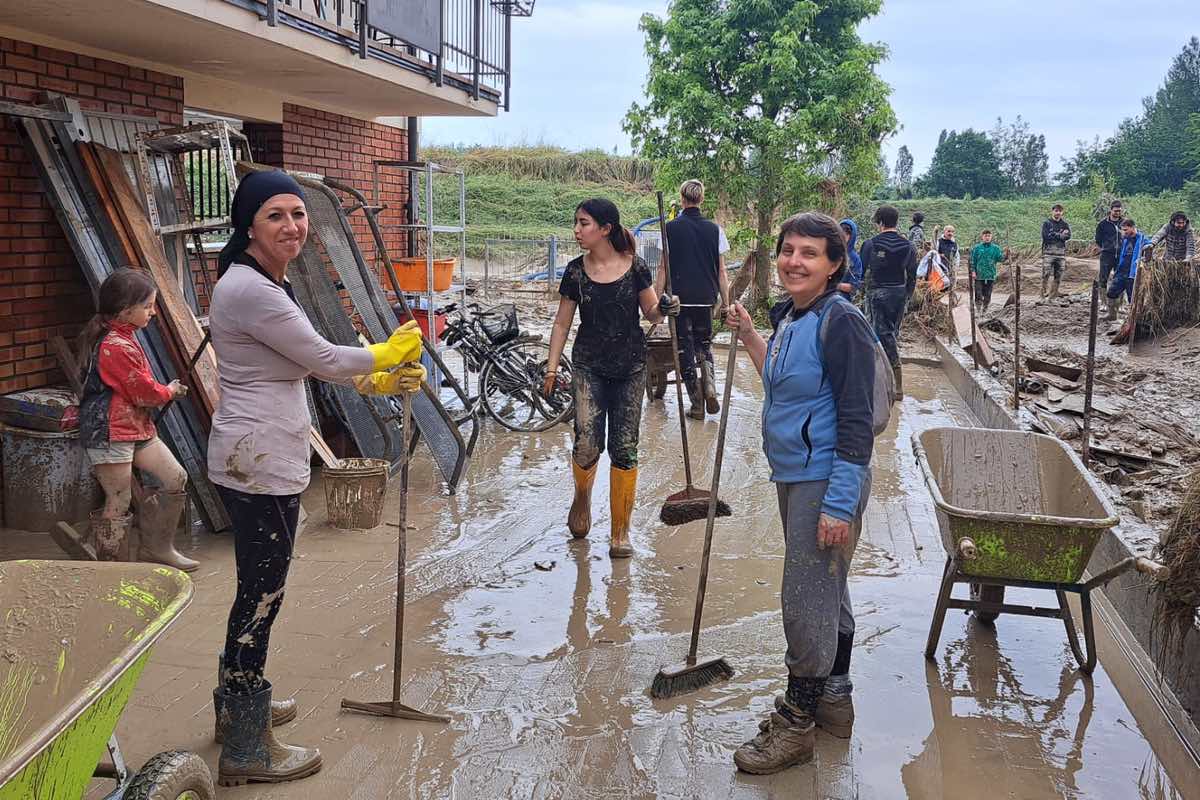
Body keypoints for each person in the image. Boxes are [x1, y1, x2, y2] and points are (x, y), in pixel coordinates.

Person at [208, 169, 425, 786]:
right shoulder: (252, 289)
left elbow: (299, 359)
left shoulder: (263, 282)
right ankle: (246, 747)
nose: (292, 226)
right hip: (257, 458)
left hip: (259, 452)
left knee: (257, 587)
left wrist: (375, 380)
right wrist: (383, 354)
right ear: (249, 225)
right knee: (262, 594)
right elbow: (323, 358)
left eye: (298, 214)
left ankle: (237, 705)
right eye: (275, 215)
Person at [723, 212, 876, 775]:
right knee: (827, 591)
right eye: (788, 250)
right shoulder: (793, 316)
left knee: (805, 599)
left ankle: (795, 727)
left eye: (809, 253)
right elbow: (780, 381)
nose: (794, 261)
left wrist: (839, 502)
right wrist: (749, 334)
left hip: (826, 478)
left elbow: (858, 419)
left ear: (835, 264)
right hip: (796, 474)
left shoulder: (844, 322)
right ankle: (834, 702)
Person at [545, 198, 678, 558]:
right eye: (576, 222)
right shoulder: (575, 272)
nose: (576, 230)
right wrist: (552, 368)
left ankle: (620, 532)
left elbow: (652, 314)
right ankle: (582, 496)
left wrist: (665, 307)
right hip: (588, 366)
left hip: (631, 367)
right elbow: (562, 323)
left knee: (624, 448)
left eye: (584, 223)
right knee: (587, 444)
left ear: (605, 229)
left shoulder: (636, 267)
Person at [77, 268, 194, 569]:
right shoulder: (115, 345)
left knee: (175, 477)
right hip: (108, 431)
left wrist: (163, 392)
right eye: (148, 306)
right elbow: (143, 393)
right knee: (119, 498)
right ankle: (111, 567)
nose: (153, 312)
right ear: (126, 310)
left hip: (135, 427)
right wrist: (168, 391)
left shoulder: (124, 336)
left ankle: (157, 549)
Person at [661, 179, 730, 419]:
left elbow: (663, 269)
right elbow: (722, 272)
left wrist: (655, 304)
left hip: (678, 300)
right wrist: (726, 304)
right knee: (704, 345)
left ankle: (697, 404)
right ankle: (709, 386)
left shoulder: (669, 228)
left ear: (682, 199)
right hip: (706, 298)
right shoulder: (715, 230)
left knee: (684, 350)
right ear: (701, 199)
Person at [859, 205, 918, 395]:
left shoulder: (870, 244)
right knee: (892, 334)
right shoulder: (909, 246)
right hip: (899, 293)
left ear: (881, 222)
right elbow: (912, 276)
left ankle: (895, 384)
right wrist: (907, 297)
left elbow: (860, 272)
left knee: (880, 336)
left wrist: (860, 292)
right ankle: (887, 380)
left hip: (877, 294)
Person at [1106, 218, 1150, 321]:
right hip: (1122, 272)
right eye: (1122, 230)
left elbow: (1149, 255)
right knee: (1111, 292)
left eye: (1125, 230)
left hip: (1133, 274)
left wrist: (1143, 260)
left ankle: (1133, 319)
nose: (1123, 232)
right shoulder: (1126, 239)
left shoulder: (1143, 240)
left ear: (1133, 228)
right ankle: (1112, 315)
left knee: (1133, 298)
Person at [969, 230, 1006, 312]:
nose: (987, 238)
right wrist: (973, 271)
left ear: (991, 237)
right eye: (985, 236)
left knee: (988, 294)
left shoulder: (996, 248)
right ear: (982, 237)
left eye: (989, 236)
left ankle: (985, 309)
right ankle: (978, 309)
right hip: (979, 274)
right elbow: (973, 261)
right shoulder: (977, 248)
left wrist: (1006, 255)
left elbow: (1000, 259)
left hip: (990, 274)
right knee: (978, 293)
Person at [1094, 200, 1123, 300]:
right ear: (1110, 210)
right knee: (1103, 278)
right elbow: (1098, 239)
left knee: (1120, 278)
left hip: (1121, 254)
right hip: (1106, 254)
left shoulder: (1124, 223)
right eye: (1115, 211)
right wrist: (1106, 247)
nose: (1117, 213)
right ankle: (1102, 301)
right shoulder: (1103, 224)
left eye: (1119, 211)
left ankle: (1118, 302)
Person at [1041, 204, 1071, 299]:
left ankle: (1053, 294)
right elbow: (1046, 237)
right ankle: (1043, 294)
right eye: (1056, 211)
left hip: (1061, 254)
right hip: (1048, 253)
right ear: (1052, 211)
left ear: (1062, 212)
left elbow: (1068, 236)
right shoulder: (1047, 223)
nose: (1058, 213)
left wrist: (1054, 234)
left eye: (1060, 211)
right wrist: (1060, 235)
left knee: (1058, 275)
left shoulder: (1065, 224)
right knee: (1046, 274)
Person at [839, 218, 863, 299]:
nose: (843, 237)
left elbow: (853, 286)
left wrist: (834, 286)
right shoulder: (829, 252)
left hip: (842, 300)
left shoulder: (855, 259)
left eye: (846, 234)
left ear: (851, 236)